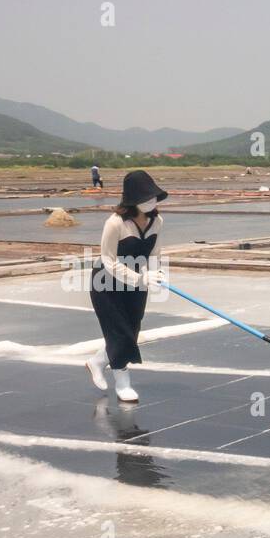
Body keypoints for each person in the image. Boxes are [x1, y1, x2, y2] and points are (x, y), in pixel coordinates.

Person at [85, 170, 167, 402]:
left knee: (131, 331)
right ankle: (123, 383)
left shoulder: (157, 221)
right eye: (146, 198)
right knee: (119, 331)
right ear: (132, 200)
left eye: (153, 197)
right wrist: (140, 279)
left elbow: (155, 252)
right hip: (107, 283)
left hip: (137, 284)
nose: (151, 201)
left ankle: (97, 362)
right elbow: (108, 260)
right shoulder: (115, 223)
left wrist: (154, 273)